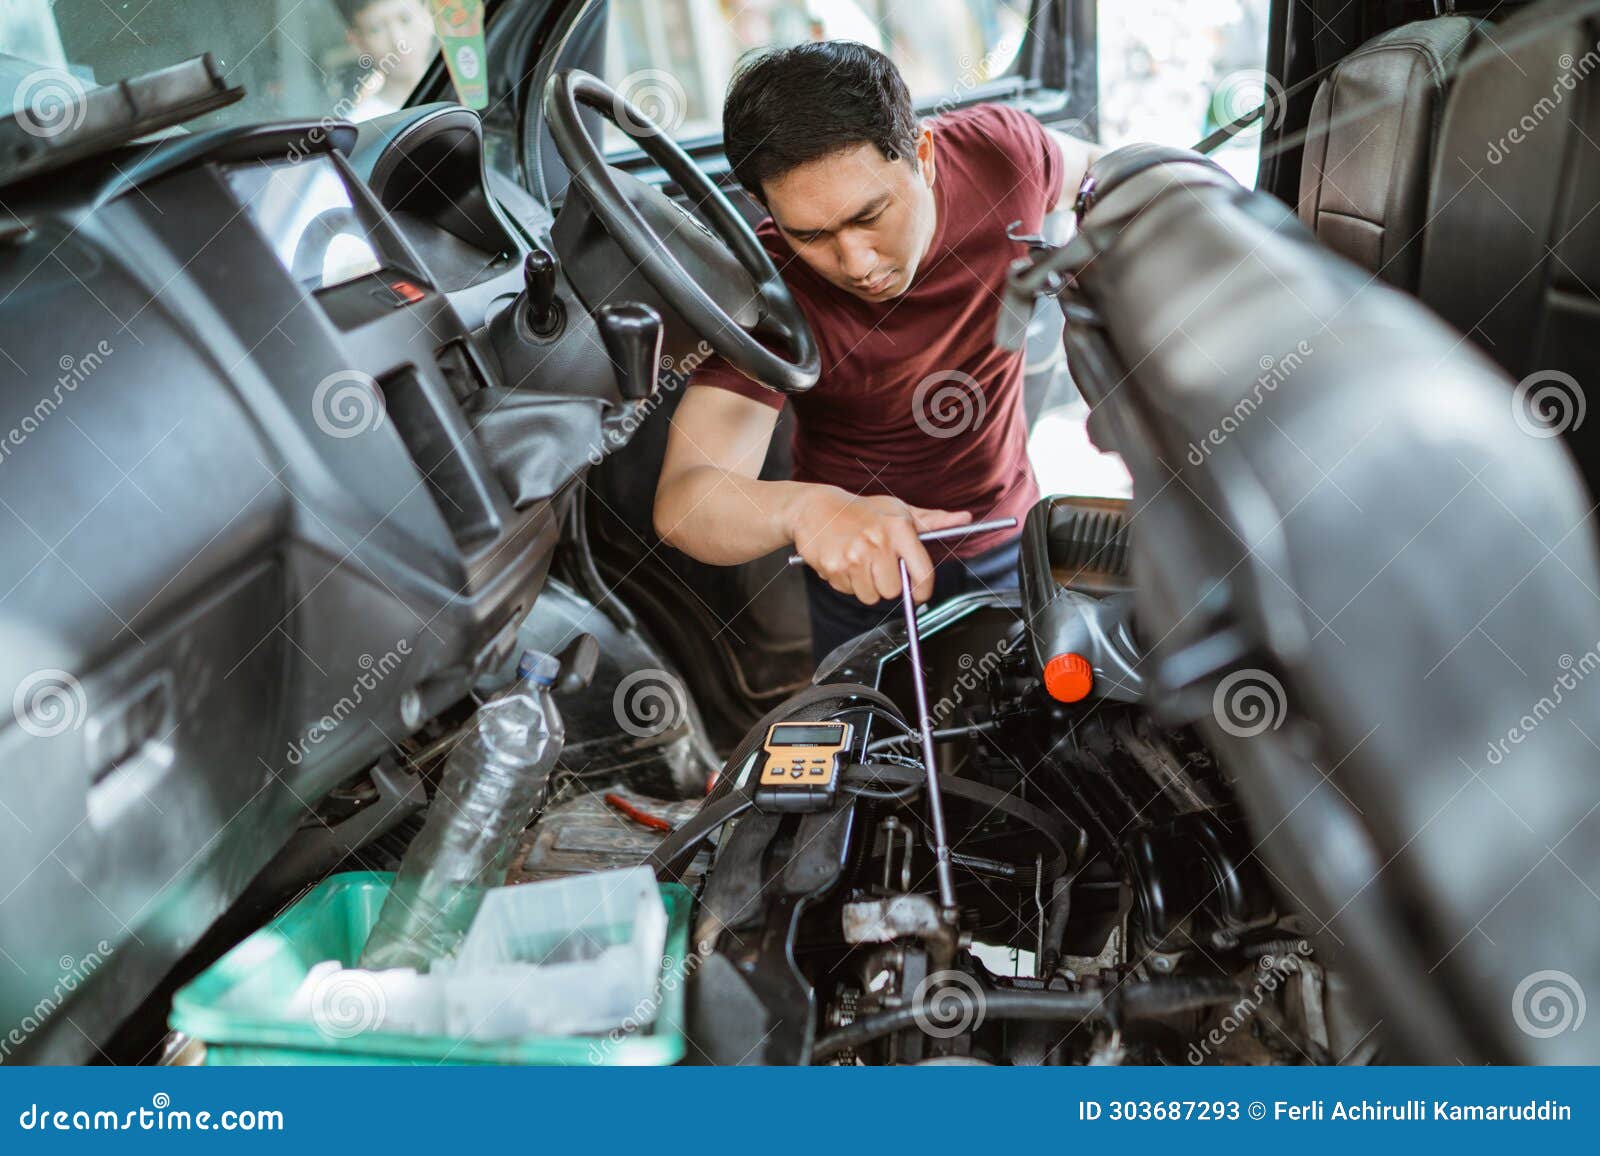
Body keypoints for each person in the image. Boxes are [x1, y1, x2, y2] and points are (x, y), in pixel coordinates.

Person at [652, 41, 1100, 662]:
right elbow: (686, 498)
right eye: (811, 234)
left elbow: (1104, 177)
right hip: (858, 565)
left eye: (870, 214)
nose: (856, 264)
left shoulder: (1001, 156)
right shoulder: (773, 291)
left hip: (1006, 530)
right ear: (766, 209)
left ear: (923, 154)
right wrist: (809, 512)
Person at [336, 0, 437, 120]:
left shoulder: (460, 82)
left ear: (428, 15)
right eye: (376, 29)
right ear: (358, 42)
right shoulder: (364, 126)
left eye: (406, 18)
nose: (398, 40)